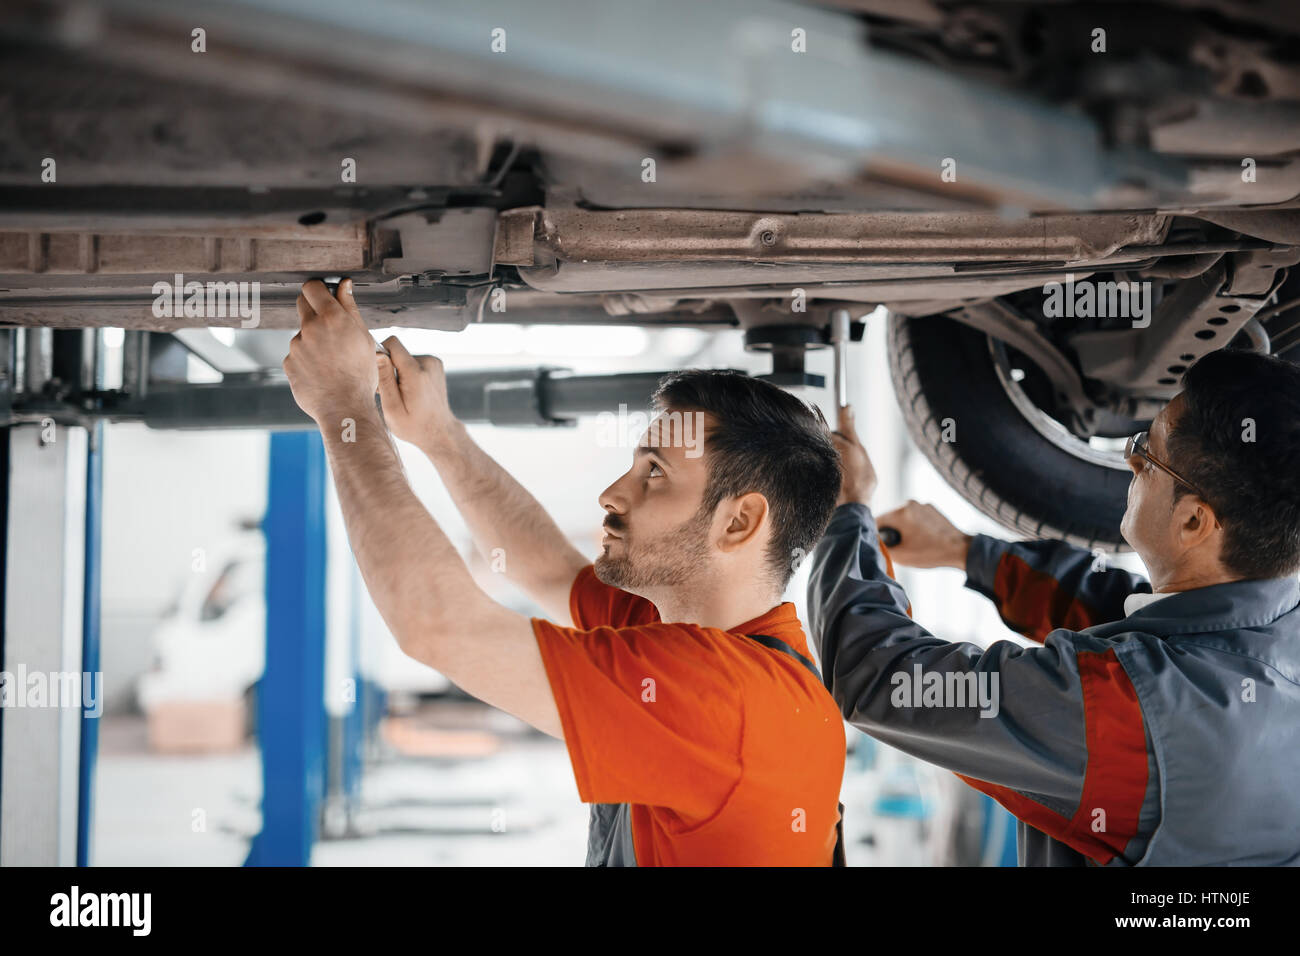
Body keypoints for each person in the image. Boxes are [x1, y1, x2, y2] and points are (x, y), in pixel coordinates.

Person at [282, 279, 847, 866]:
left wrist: (343, 406)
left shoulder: (726, 698)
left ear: (738, 523)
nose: (611, 493)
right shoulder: (697, 636)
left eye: (654, 474)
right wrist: (438, 436)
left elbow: (439, 627)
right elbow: (546, 567)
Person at [811, 349, 1300, 865]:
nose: (1130, 460)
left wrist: (848, 511)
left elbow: (877, 676)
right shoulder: (1274, 627)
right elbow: (1119, 611)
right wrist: (964, 551)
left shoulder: (1137, 722)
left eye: (1147, 453)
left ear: (1195, 523)